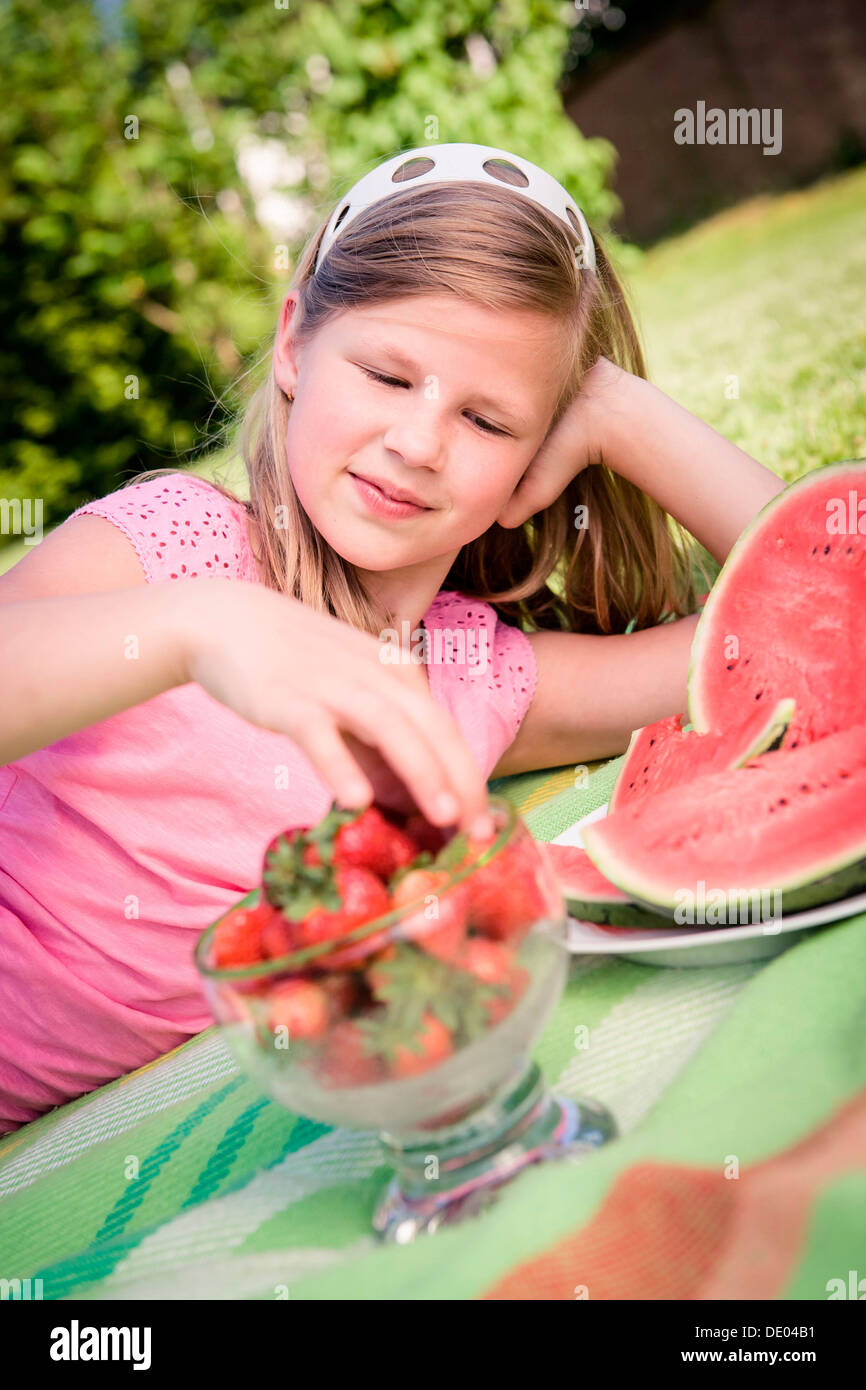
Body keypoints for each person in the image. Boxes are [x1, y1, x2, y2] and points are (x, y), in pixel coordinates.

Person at [0, 144, 785, 1131]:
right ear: (293, 344)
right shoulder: (170, 552)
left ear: (534, 461)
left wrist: (618, 415)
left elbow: (807, 619)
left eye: (488, 419)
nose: (417, 443)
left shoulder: (477, 680)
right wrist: (198, 627)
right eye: (385, 374)